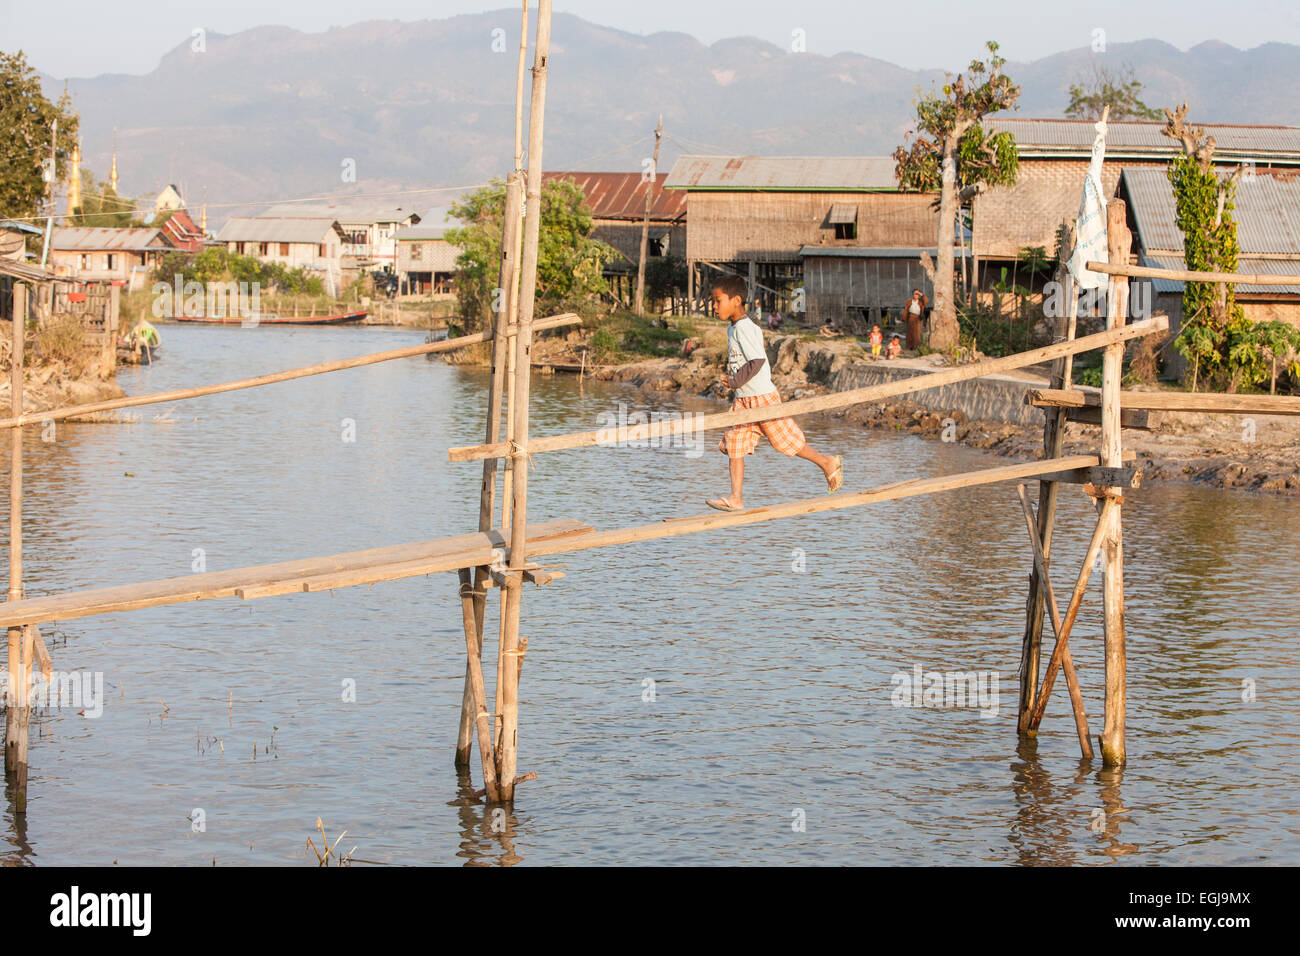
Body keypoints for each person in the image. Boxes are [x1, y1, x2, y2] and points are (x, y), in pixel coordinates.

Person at [706, 275, 842, 512]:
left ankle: (826, 462)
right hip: (744, 400)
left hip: (761, 398)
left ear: (736, 300)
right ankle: (736, 498)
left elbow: (757, 361)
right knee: (735, 444)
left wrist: (735, 380)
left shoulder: (745, 328)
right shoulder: (733, 328)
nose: (714, 306)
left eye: (718, 301)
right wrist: (735, 384)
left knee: (785, 441)